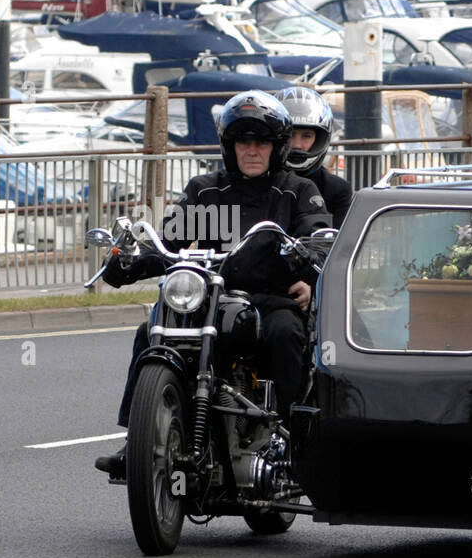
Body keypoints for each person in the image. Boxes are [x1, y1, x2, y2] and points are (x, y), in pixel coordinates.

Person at [95, 90, 331, 478]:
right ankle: (135, 440)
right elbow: (169, 238)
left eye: (261, 142)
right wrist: (130, 260)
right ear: (230, 146)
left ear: (276, 147)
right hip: (210, 298)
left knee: (286, 333)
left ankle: (286, 438)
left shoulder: (297, 190)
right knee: (150, 331)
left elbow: (318, 232)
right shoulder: (206, 190)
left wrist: (311, 257)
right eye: (243, 141)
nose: (252, 150)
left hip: (271, 300)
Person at [278, 86, 352, 226]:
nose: (297, 145)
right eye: (290, 135)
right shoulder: (259, 182)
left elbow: (340, 243)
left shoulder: (337, 189)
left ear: (319, 139)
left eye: (306, 136)